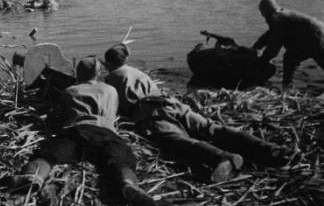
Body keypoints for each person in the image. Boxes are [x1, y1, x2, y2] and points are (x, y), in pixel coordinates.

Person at [102, 44, 292, 183]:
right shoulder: (138, 72)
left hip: (149, 112)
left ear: (110, 62)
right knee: (212, 128)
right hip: (172, 103)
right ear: (124, 59)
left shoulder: (111, 78)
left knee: (175, 139)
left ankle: (221, 157)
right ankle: (273, 151)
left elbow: (113, 104)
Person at [0, 56, 156, 206]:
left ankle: (33, 176)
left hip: (78, 130)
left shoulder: (70, 91)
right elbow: (113, 113)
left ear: (79, 73)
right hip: (105, 131)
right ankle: (128, 184)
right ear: (97, 73)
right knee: (121, 159)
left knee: (50, 155)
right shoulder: (111, 90)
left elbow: (55, 118)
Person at [252, 0, 324, 87]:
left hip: (315, 37)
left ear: (265, 12)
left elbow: (273, 49)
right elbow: (270, 34)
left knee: (293, 57)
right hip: (316, 33)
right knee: (290, 57)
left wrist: (261, 61)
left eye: (262, 13)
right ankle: (287, 87)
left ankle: (286, 87)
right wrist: (255, 47)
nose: (262, 15)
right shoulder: (279, 15)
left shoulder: (276, 18)